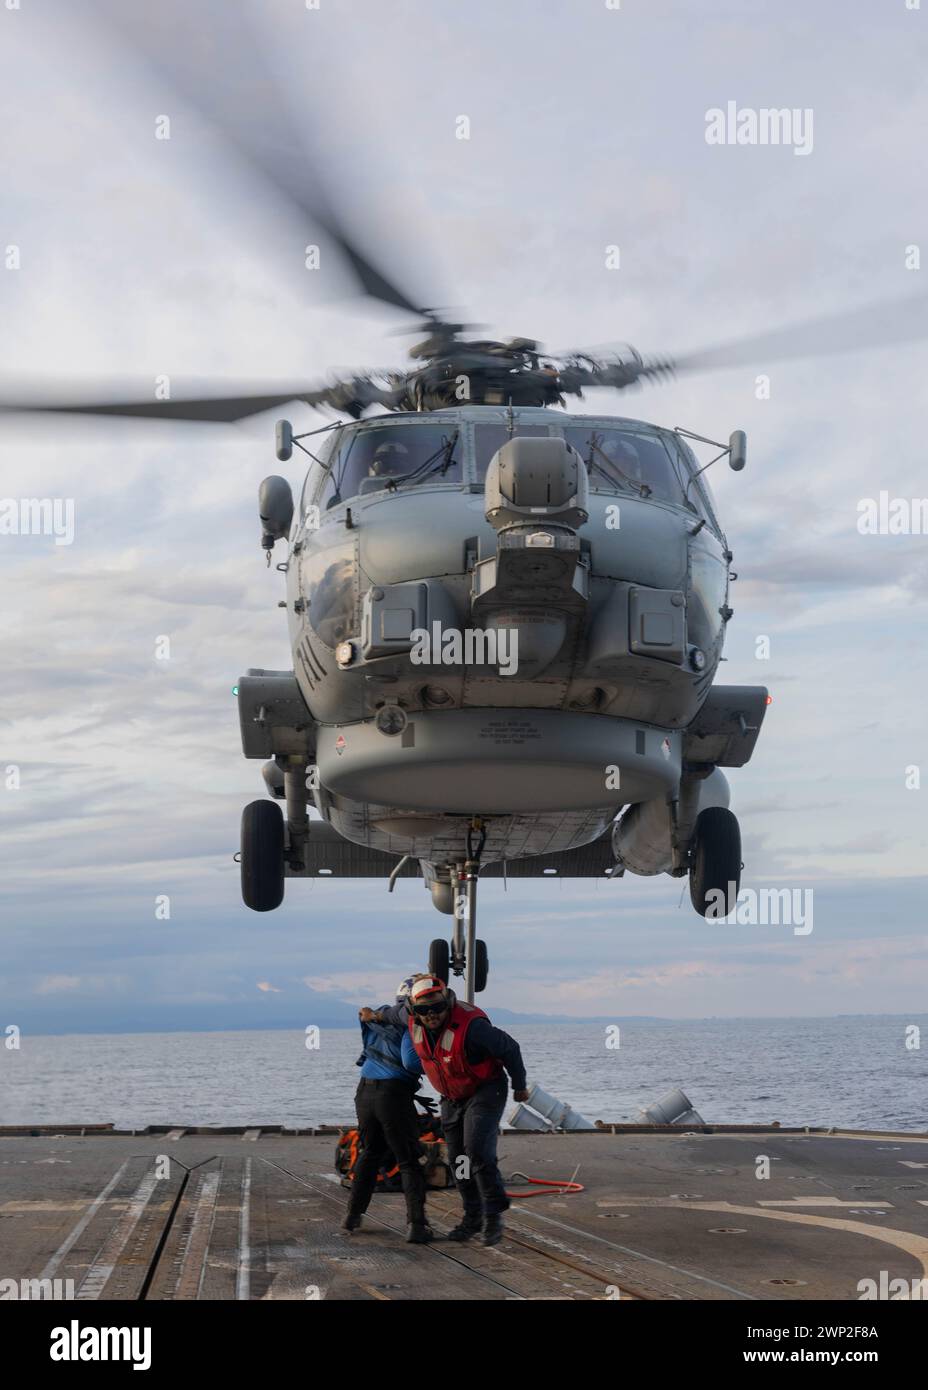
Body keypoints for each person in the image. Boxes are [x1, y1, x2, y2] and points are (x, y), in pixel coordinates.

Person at [363, 976, 529, 1247]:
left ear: (448, 1001)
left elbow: (510, 1048)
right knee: (458, 1160)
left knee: (477, 1150)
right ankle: (472, 1215)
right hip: (452, 1096)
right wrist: (374, 1015)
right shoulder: (408, 1015)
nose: (431, 1015)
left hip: (485, 1090)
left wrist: (520, 1086)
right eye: (423, 1010)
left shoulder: (473, 1028)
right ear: (413, 1010)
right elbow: (390, 1015)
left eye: (437, 1008)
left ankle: (494, 1212)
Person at [343, 976, 432, 1244]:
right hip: (392, 1095)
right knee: (408, 1160)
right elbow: (410, 1061)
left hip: (365, 1093)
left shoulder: (376, 1017)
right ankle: (417, 1225)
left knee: (370, 1154)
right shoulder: (410, 1024)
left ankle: (352, 1215)